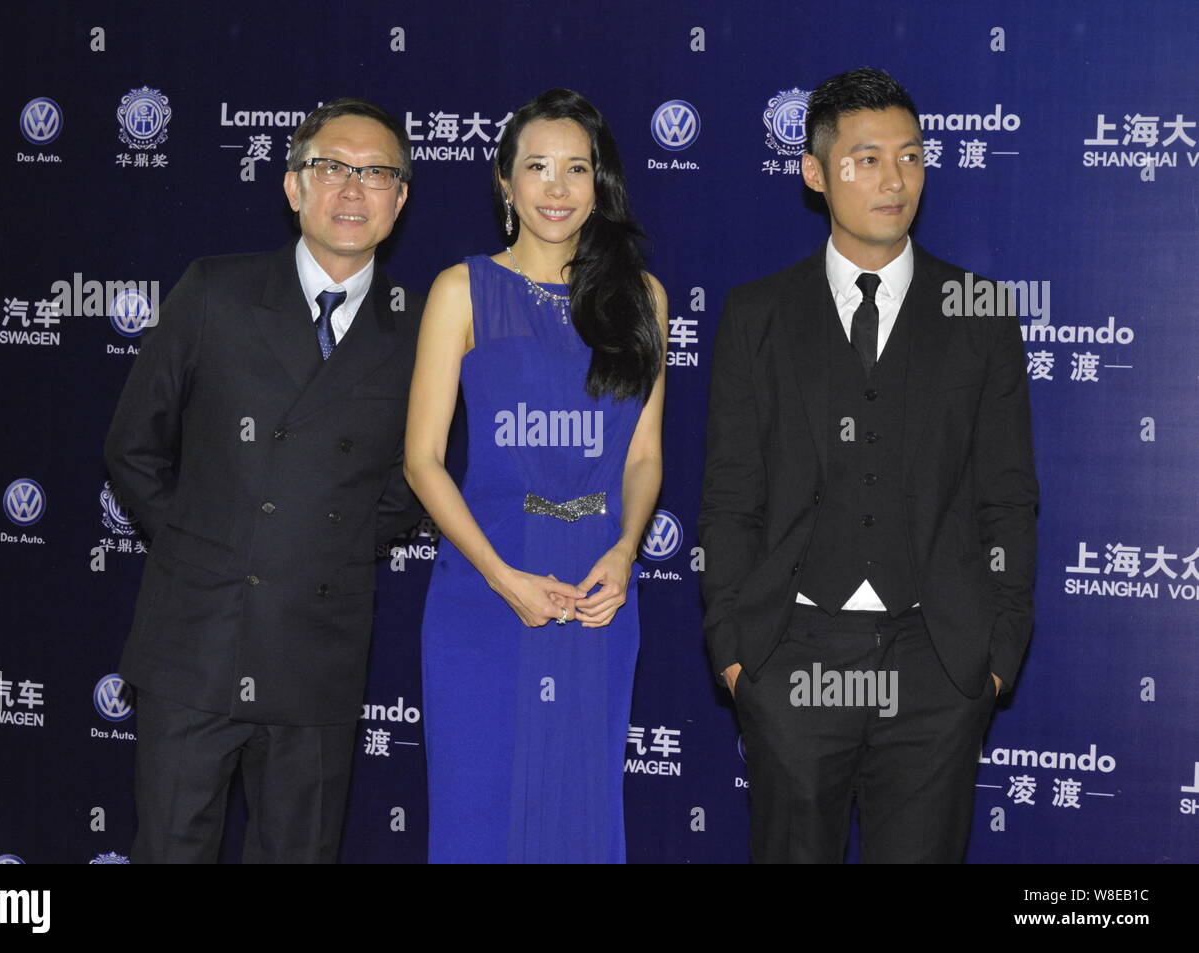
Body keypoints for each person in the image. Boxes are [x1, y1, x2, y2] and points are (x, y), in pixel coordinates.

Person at [699, 68, 1037, 863]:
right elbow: (730, 494)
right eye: (867, 158)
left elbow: (1009, 494)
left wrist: (995, 655)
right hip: (793, 656)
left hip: (938, 662)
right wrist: (738, 652)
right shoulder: (758, 315)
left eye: (911, 156)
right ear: (815, 173)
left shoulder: (979, 310)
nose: (895, 179)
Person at [104, 98, 422, 863]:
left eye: (376, 173)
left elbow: (417, 481)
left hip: (317, 656)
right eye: (331, 169)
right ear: (292, 187)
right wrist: (208, 543)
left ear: (400, 198)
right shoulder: (215, 292)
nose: (353, 189)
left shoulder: (420, 328)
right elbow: (134, 447)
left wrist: (320, 548)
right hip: (196, 644)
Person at [404, 88, 667, 863]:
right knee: (478, 807)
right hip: (484, 585)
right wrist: (500, 575)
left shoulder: (641, 299)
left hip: (595, 582)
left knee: (578, 809)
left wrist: (624, 551)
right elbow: (421, 459)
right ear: (506, 184)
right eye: (538, 167)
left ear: (601, 184)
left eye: (576, 168)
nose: (557, 188)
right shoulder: (462, 290)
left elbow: (645, 455)